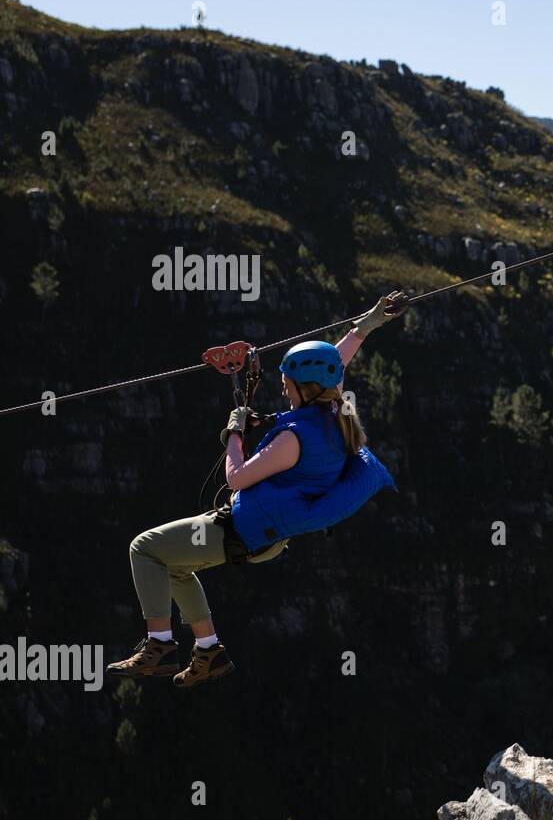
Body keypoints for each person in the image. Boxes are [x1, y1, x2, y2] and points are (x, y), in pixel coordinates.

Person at [107, 292, 409, 687]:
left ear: (306, 388)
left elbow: (236, 478)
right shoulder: (335, 411)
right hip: (264, 534)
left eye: (287, 385)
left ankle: (159, 645)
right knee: (174, 566)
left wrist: (234, 432)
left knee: (144, 548)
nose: (284, 390)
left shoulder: (293, 440)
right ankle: (208, 651)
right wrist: (365, 326)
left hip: (241, 531)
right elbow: (334, 362)